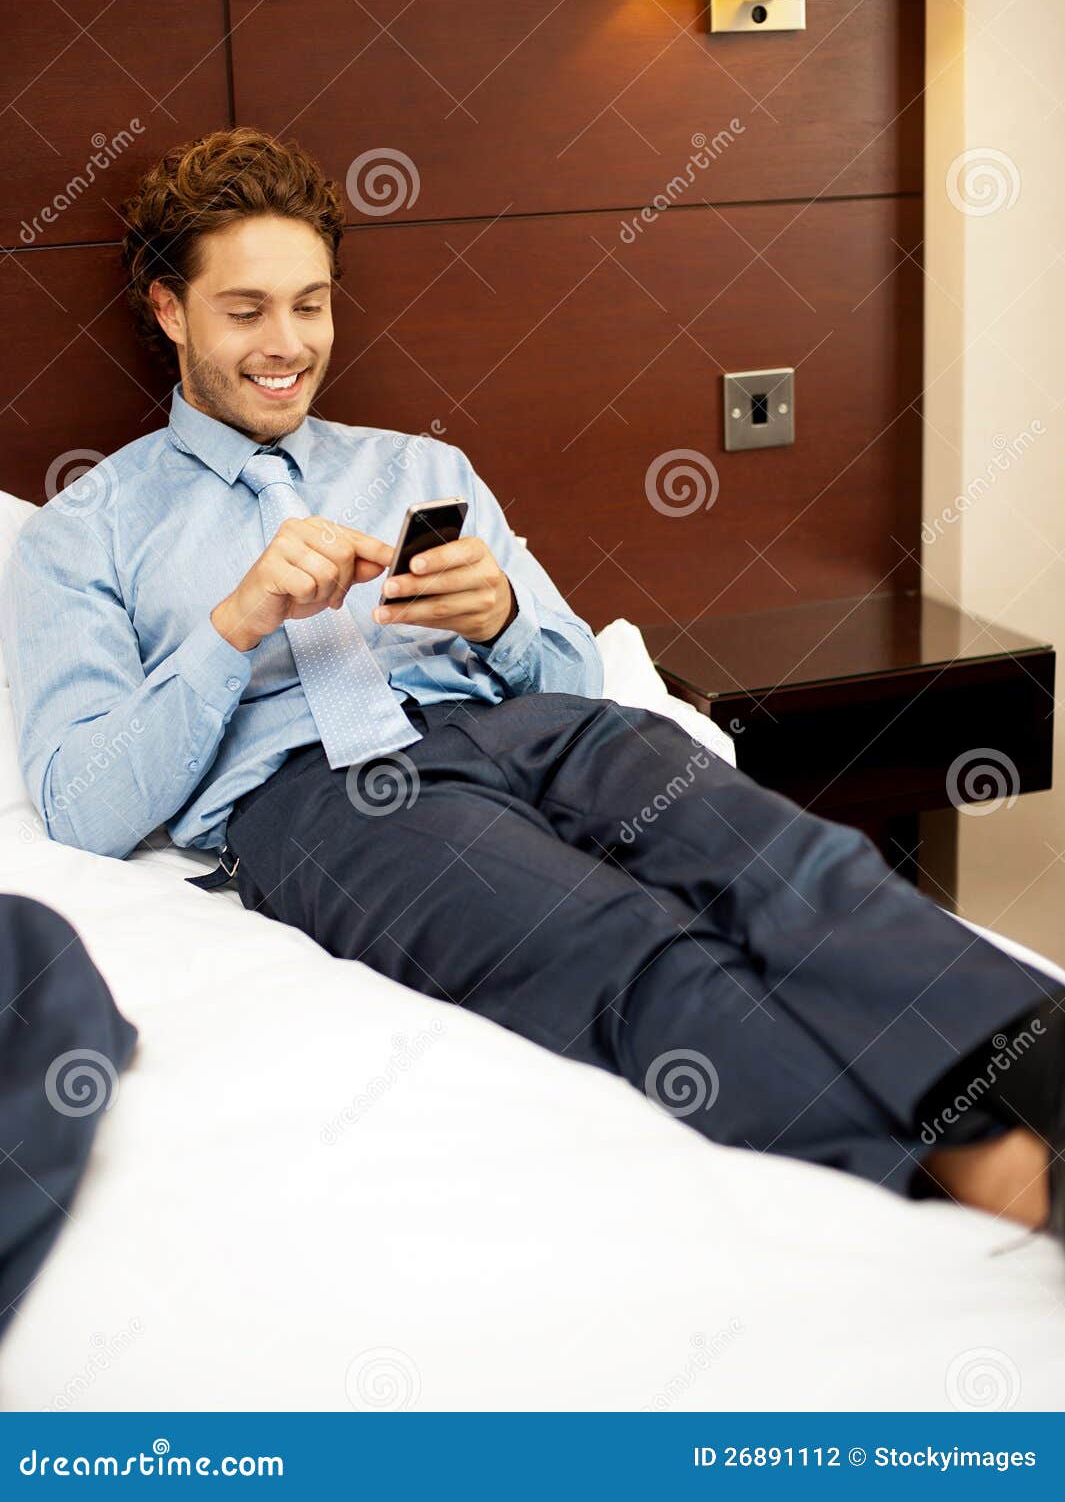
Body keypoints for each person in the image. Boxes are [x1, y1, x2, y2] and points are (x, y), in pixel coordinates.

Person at [2, 127, 1061, 1254]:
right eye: (246, 309)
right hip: (325, 799)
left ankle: (1045, 1075)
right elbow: (82, 804)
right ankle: (969, 1184)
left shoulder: (421, 468)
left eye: (310, 305)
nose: (288, 344)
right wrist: (232, 626)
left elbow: (574, 677)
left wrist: (501, 617)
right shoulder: (86, 531)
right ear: (170, 310)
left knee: (789, 863)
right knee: (614, 944)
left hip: (532, 727)